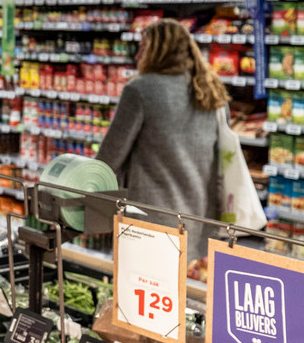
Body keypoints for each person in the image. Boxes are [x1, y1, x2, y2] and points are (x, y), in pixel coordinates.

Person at [96, 18, 229, 260]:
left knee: (140, 292)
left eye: (143, 48)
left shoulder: (141, 90)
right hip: (198, 221)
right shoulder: (211, 90)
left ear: (157, 52)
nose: (138, 57)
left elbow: (108, 159)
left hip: (149, 224)